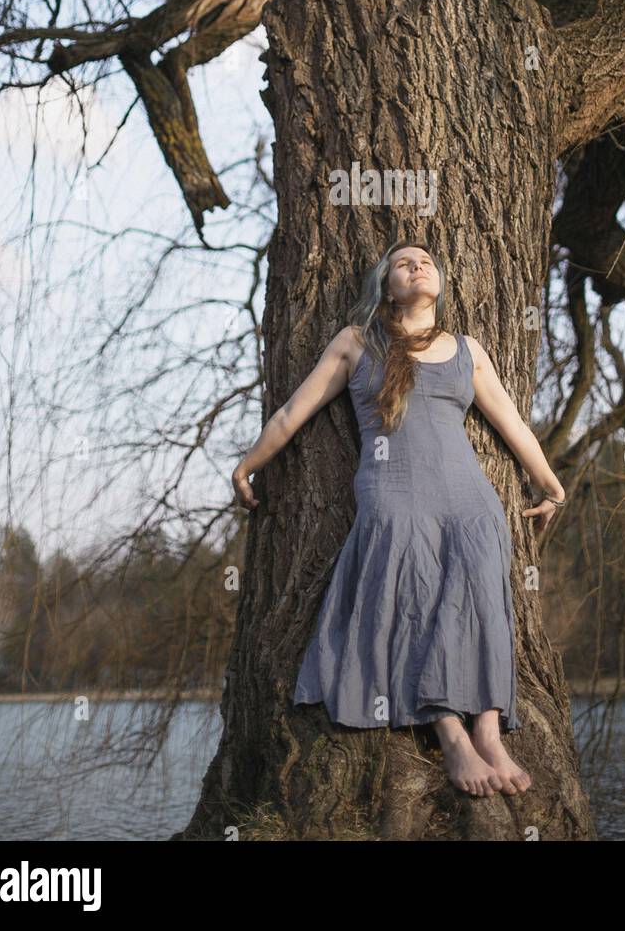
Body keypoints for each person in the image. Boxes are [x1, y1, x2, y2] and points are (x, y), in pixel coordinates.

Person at [232, 239, 566, 797]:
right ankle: (451, 735)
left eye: (428, 261)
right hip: (394, 491)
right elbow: (293, 411)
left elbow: (512, 423)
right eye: (404, 263)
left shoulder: (467, 350)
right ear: (386, 286)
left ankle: (489, 731)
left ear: (440, 283)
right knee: (415, 595)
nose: (418, 266)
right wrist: (247, 466)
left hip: (469, 497)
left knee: (482, 597)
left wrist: (552, 485)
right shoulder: (357, 343)